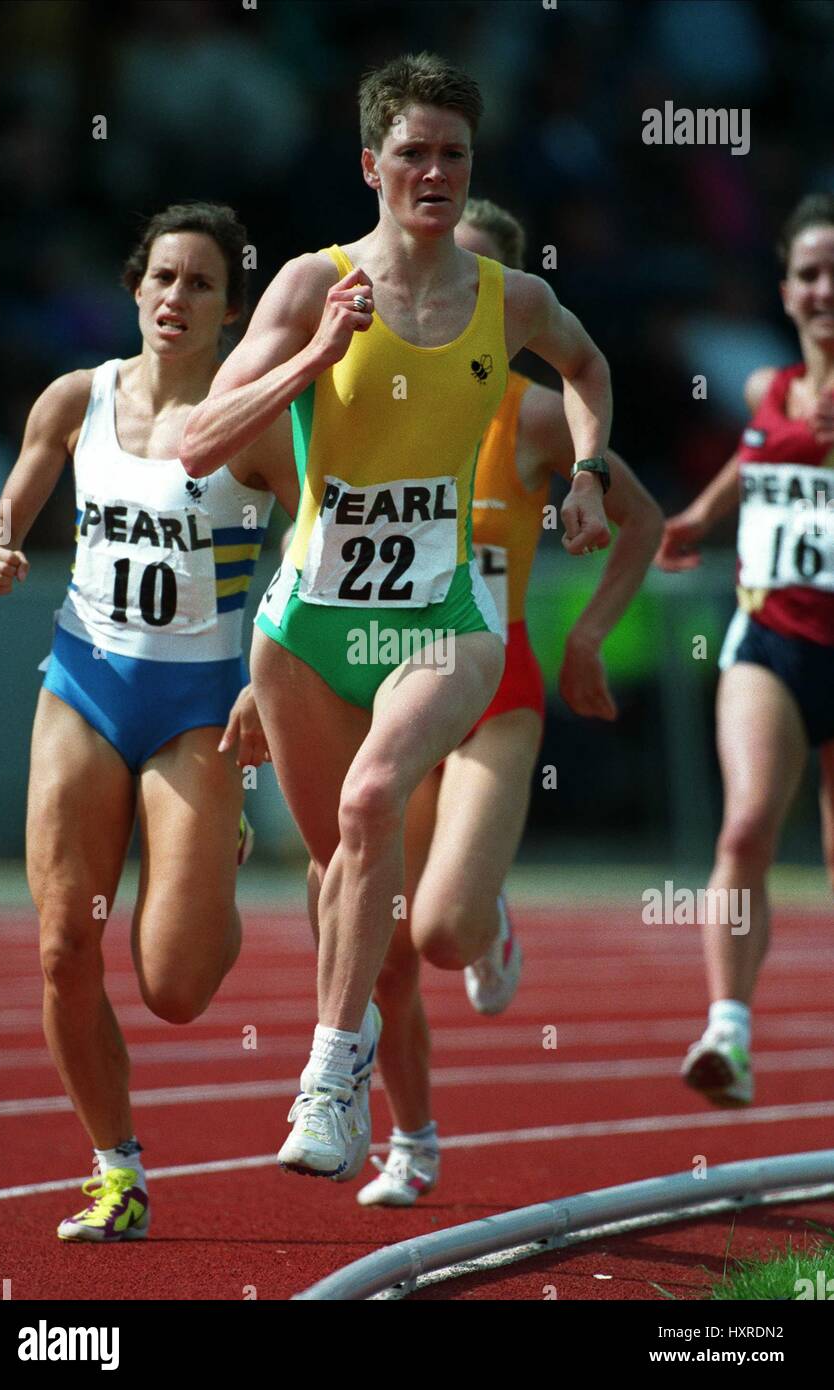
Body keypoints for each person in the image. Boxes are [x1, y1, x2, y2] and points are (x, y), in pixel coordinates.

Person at [181, 52, 613, 1181]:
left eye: (452, 155)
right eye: (412, 153)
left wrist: (585, 469)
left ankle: (328, 1086)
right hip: (308, 625)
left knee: (377, 794)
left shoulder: (506, 299)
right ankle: (402, 1113)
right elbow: (197, 440)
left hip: (442, 616)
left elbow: (584, 363)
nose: (433, 171)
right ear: (371, 165)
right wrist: (317, 355)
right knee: (344, 883)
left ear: (470, 171)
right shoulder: (306, 288)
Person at [0, 202, 296, 1239]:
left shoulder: (252, 418)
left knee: (176, 986)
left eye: (201, 284)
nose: (175, 298)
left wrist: (267, 671)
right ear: (134, 287)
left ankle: (216, 858)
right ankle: (117, 1170)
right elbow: (13, 500)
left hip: (200, 704)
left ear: (233, 309)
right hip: (84, 681)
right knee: (65, 947)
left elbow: (312, 540)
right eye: (162, 277)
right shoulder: (79, 396)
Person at [354, 198, 663, 1204]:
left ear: (509, 302)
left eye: (474, 275)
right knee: (384, 949)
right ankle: (412, 1140)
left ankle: (486, 915)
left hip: (497, 682)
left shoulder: (532, 412)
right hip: (390, 676)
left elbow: (643, 521)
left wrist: (583, 636)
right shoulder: (372, 390)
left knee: (440, 932)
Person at [655, 193, 834, 1107]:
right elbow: (755, 456)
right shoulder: (769, 387)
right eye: (809, 273)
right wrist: (697, 516)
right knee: (744, 825)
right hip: (771, 637)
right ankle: (728, 1027)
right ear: (787, 288)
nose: (823, 289)